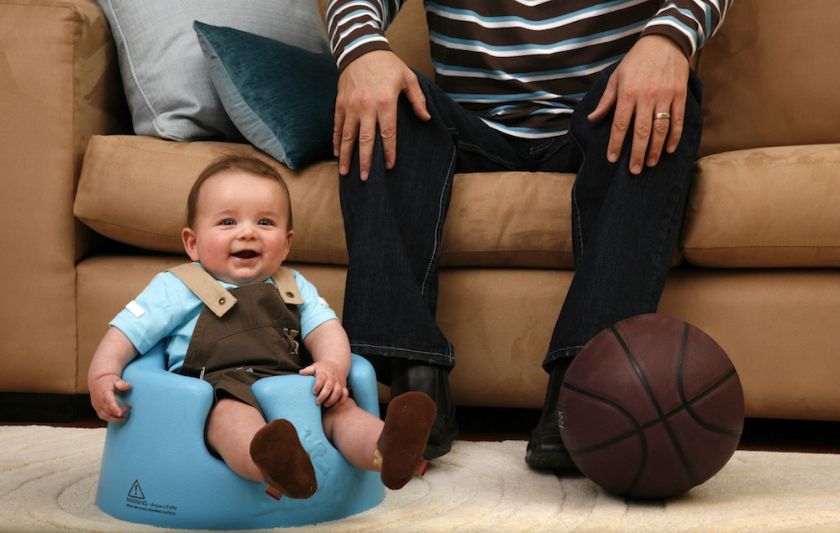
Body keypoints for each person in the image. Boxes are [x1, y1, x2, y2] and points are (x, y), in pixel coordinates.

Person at [325, 0, 731, 465]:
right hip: (471, 126)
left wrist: (668, 40)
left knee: (666, 99)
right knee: (379, 92)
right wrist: (362, 51)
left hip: (606, 116)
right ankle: (413, 380)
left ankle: (585, 385)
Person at [88, 156, 436, 498]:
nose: (248, 233)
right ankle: (276, 467)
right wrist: (103, 376)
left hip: (295, 384)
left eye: (265, 223)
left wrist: (333, 367)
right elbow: (125, 334)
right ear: (192, 243)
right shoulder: (176, 287)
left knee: (341, 411)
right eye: (227, 222)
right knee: (230, 422)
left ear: (286, 244)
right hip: (221, 389)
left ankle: (387, 449)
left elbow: (327, 331)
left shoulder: (294, 285)